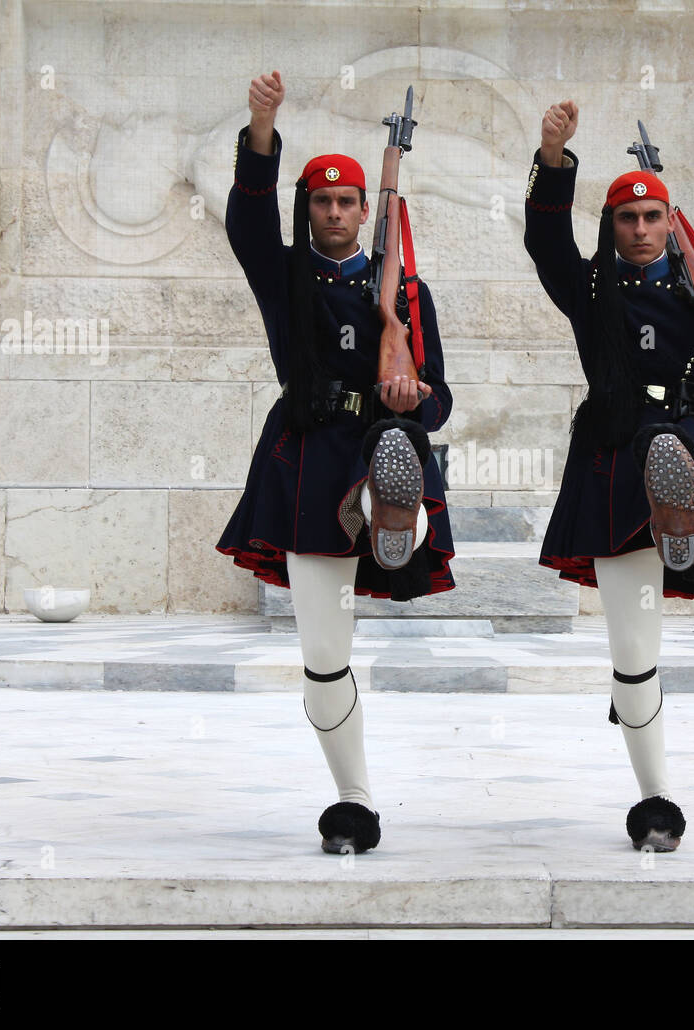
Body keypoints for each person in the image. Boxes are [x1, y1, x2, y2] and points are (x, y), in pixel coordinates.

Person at [524, 99, 694, 852]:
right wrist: (553, 159)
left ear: (670, 224)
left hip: (691, 435)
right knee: (634, 655)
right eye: (626, 219)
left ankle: (682, 505)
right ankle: (655, 798)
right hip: (613, 449)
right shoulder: (591, 289)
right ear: (614, 226)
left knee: (682, 456)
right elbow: (544, 241)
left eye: (652, 218)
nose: (638, 229)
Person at [216, 71, 455, 855]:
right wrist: (261, 132)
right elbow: (248, 222)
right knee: (324, 654)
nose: (334, 212)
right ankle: (353, 800)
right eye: (320, 201)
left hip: (382, 442)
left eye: (347, 201)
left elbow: (441, 400)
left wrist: (410, 390)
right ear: (308, 209)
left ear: (363, 209)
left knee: (400, 448)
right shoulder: (284, 276)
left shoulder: (405, 292)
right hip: (310, 456)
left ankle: (397, 515)